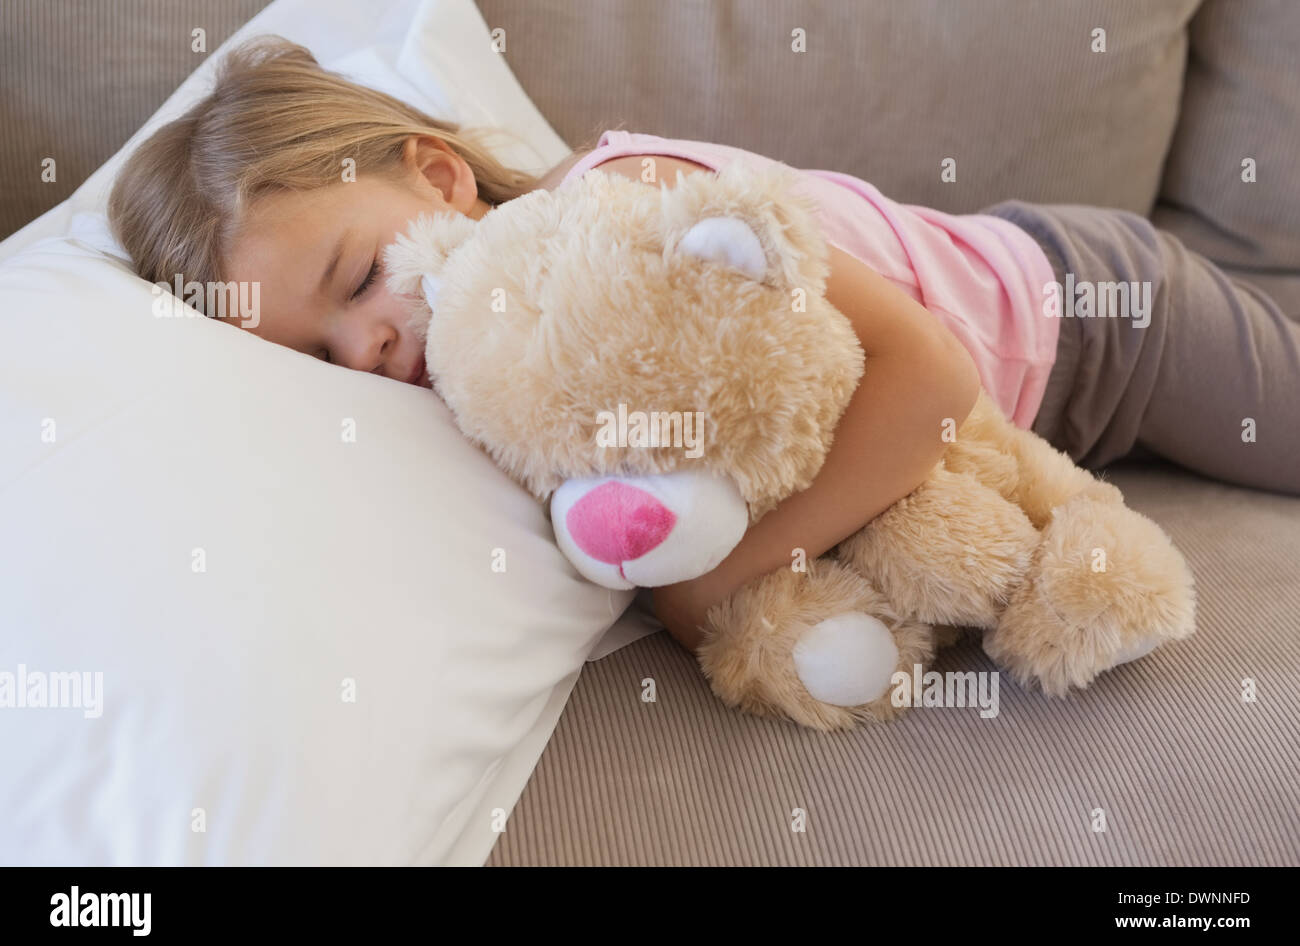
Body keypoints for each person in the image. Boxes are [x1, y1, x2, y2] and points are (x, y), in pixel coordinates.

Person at [108, 37, 1300, 651]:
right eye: (319, 358)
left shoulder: (632, 210)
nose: (365, 346)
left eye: (360, 276)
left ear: (437, 175)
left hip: (1085, 314)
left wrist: (709, 590)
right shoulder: (494, 382)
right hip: (999, 434)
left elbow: (932, 372)